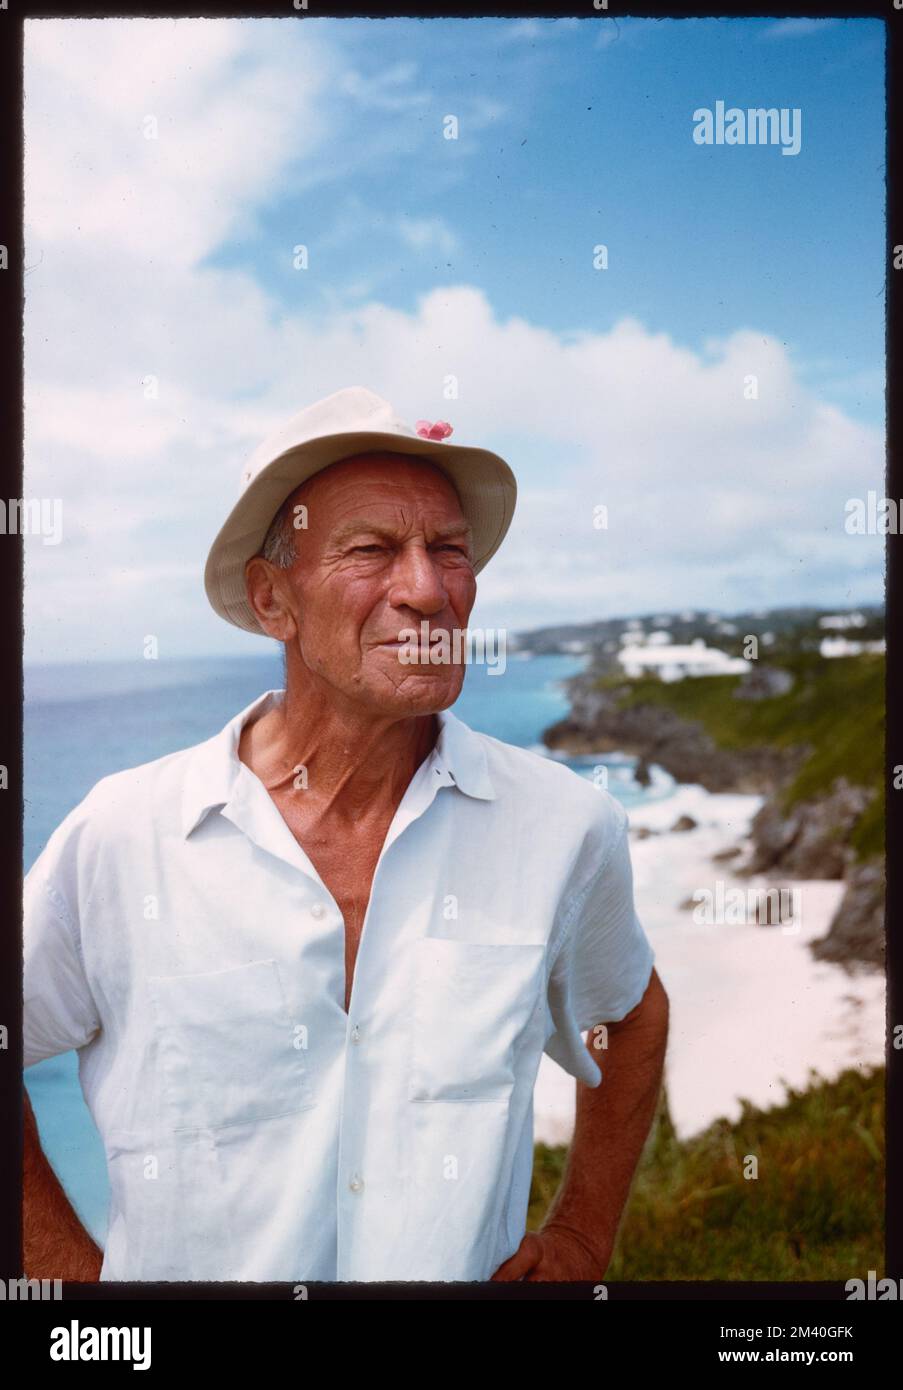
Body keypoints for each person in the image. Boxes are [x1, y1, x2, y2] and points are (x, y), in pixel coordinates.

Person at [23, 385, 668, 1283]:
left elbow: (628, 1018)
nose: (427, 591)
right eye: (370, 551)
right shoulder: (124, 836)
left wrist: (583, 1237)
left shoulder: (563, 826)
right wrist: (70, 1285)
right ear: (271, 600)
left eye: (449, 551)